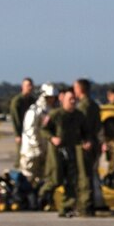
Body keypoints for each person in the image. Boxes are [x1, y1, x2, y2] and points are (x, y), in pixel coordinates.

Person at [43, 86, 92, 218]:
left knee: (71, 179)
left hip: (72, 150)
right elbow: (44, 130)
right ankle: (42, 195)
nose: (72, 102)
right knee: (56, 179)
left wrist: (87, 141)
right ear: (63, 100)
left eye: (74, 99)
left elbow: (86, 131)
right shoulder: (55, 115)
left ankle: (66, 207)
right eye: (70, 99)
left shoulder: (79, 116)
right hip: (57, 150)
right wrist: (52, 138)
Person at [73, 78, 102, 213]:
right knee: (90, 173)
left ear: (80, 89)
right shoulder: (94, 105)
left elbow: (81, 126)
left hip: (85, 144)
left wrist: (84, 139)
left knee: (84, 175)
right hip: (93, 142)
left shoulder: (83, 106)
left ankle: (86, 204)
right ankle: (88, 202)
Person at [9, 77, 36, 156]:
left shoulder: (33, 101)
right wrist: (17, 134)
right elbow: (15, 119)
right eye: (28, 85)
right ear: (22, 86)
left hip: (32, 133)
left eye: (31, 85)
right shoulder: (17, 101)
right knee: (22, 155)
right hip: (22, 132)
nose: (30, 87)